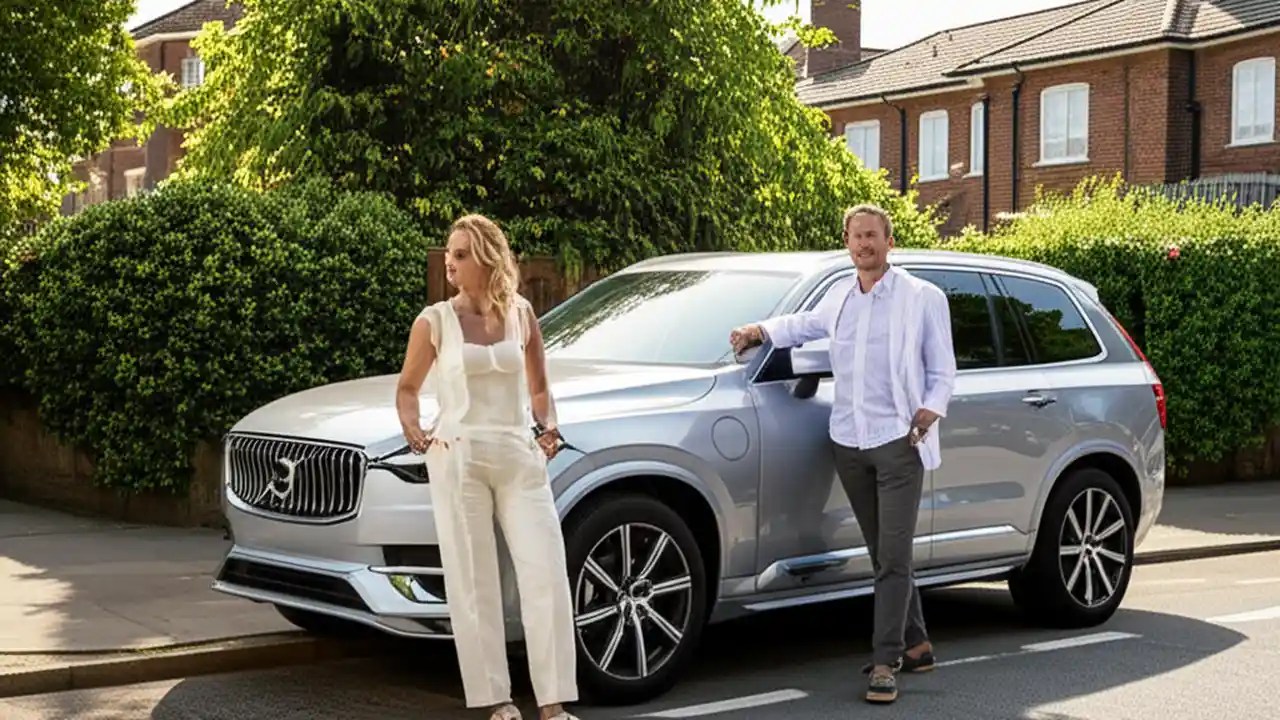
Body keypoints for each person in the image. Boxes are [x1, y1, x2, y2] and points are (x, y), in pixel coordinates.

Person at [729, 203, 956, 704]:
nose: (863, 245)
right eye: (856, 237)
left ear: (888, 242)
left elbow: (943, 369)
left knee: (893, 557)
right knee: (884, 553)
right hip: (848, 442)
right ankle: (917, 644)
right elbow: (804, 326)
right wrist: (759, 331)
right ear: (848, 242)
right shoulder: (839, 297)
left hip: (899, 443)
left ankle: (885, 661)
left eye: (872, 236)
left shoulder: (922, 298)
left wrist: (928, 411)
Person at [396, 214, 580, 720]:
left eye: (460, 254)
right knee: (473, 581)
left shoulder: (521, 312)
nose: (449, 264)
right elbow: (407, 389)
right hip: (460, 454)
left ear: (486, 257)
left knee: (545, 573)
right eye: (449, 255)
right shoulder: (433, 321)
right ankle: (497, 700)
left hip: (518, 454)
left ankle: (553, 704)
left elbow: (540, 388)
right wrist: (415, 431)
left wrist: (549, 427)